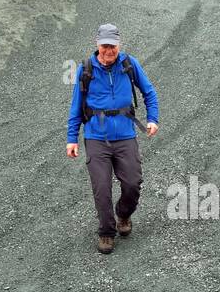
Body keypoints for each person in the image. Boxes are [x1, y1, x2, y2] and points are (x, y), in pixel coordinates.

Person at [66, 23, 160, 253]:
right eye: (105, 46)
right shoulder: (85, 69)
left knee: (132, 183)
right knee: (102, 188)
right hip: (96, 137)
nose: (109, 51)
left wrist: (152, 118)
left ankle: (124, 215)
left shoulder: (129, 64)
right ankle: (106, 232)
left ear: (119, 45)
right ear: (97, 45)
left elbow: (149, 92)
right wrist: (72, 138)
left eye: (113, 47)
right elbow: (76, 105)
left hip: (125, 134)